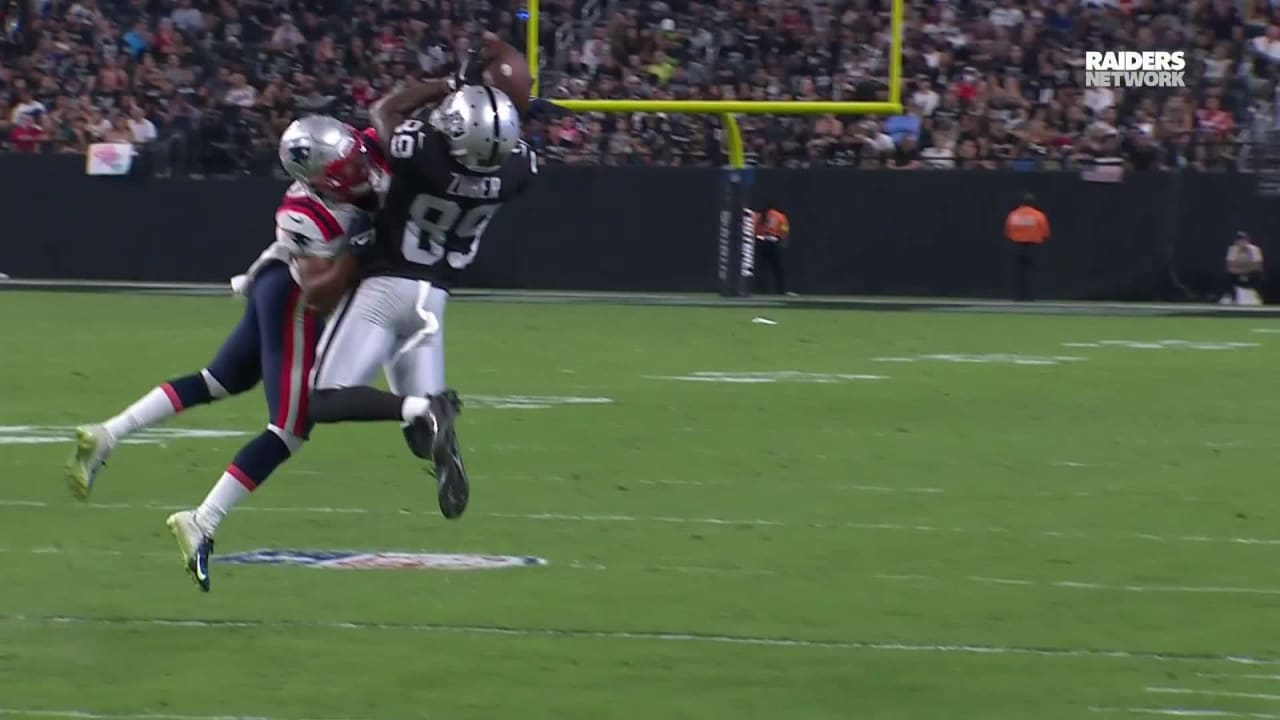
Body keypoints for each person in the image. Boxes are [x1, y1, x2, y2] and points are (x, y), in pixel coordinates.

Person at [66, 115, 386, 592]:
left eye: (354, 158)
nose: (358, 169)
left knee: (219, 379)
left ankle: (106, 434)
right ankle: (203, 519)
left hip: (274, 284)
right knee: (291, 426)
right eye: (343, 167)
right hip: (294, 297)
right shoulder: (304, 210)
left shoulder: (367, 148)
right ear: (315, 176)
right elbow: (321, 288)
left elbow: (390, 122)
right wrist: (358, 253)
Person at [307, 47, 539, 522]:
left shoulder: (423, 156)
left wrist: (452, 85)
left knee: (324, 399)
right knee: (420, 430)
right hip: (434, 299)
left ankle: (425, 410)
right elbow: (500, 141)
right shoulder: (518, 170)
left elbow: (386, 110)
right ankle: (433, 427)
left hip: (386, 285)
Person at [1004, 193, 1050, 301]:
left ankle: (1017, 297)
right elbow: (1045, 233)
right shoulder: (1039, 215)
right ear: (1033, 203)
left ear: (1021, 203)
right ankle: (1030, 297)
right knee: (1031, 272)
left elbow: (1008, 232)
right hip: (1033, 247)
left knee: (1017, 272)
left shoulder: (1013, 215)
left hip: (1016, 246)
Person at [753, 200, 790, 295]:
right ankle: (781, 290)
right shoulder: (779, 216)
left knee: (761, 268)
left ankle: (762, 290)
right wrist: (783, 242)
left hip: (760, 242)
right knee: (777, 268)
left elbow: (753, 229)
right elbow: (784, 230)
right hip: (773, 242)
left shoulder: (758, 216)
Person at [1223, 231, 1264, 305]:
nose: (1241, 242)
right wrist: (1242, 271)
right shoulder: (1232, 249)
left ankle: (1256, 296)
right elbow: (1229, 267)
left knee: (1257, 273)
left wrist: (1244, 270)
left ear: (1247, 241)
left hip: (1251, 274)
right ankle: (1229, 296)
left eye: (1243, 240)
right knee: (1228, 276)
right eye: (1239, 240)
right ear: (1236, 241)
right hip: (1237, 274)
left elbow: (1257, 266)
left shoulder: (1255, 249)